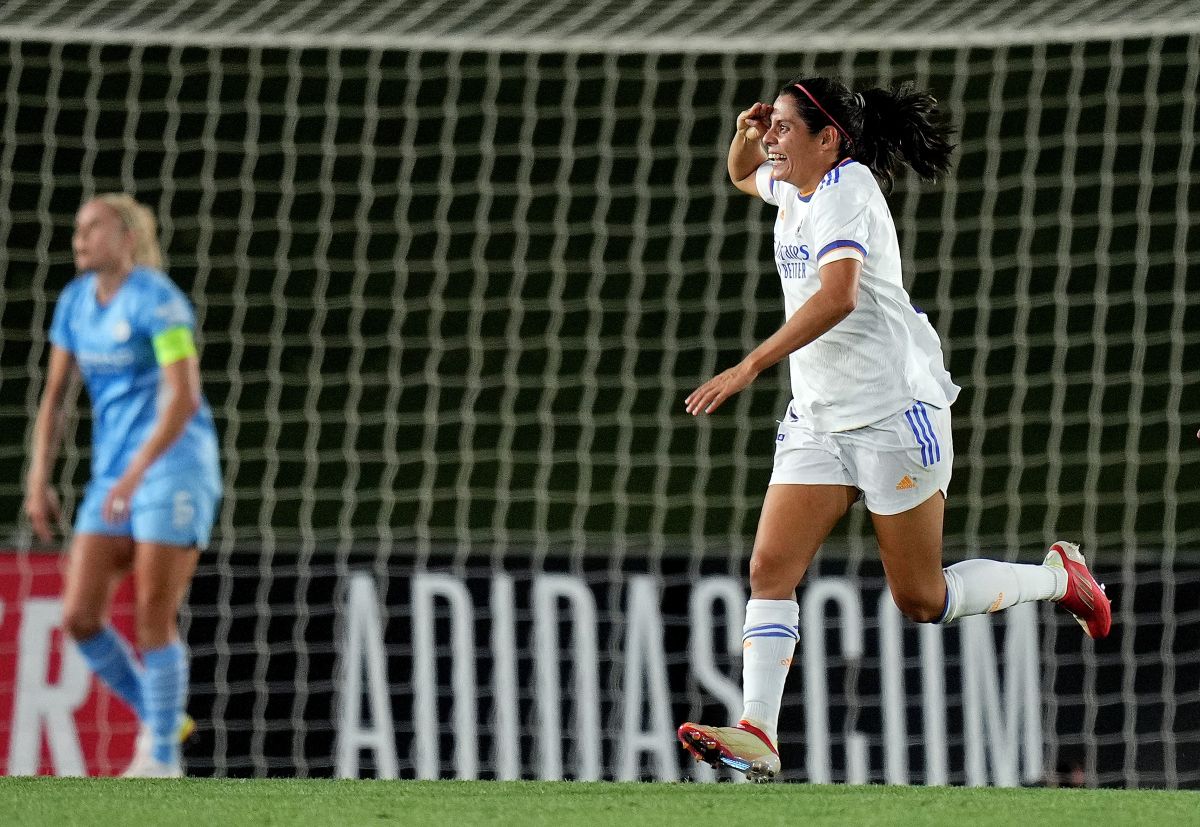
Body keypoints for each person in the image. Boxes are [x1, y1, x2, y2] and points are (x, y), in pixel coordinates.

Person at [676, 77, 1111, 782]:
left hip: (892, 414)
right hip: (820, 417)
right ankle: (758, 730)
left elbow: (840, 295)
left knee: (920, 597)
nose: (773, 140)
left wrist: (749, 365)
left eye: (786, 128)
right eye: (773, 126)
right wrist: (745, 133)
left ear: (830, 140)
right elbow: (739, 173)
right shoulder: (793, 183)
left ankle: (1058, 578)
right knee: (769, 569)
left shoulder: (848, 191)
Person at [23, 194, 222, 777]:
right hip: (114, 473)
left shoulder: (159, 303)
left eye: (92, 228)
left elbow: (182, 397)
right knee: (78, 617)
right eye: (76, 228)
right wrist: (39, 477)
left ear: (127, 237)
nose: (78, 238)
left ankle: (160, 756)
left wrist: (138, 474)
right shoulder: (75, 303)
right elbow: (57, 396)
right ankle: (161, 715)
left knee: (153, 612)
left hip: (173, 464)